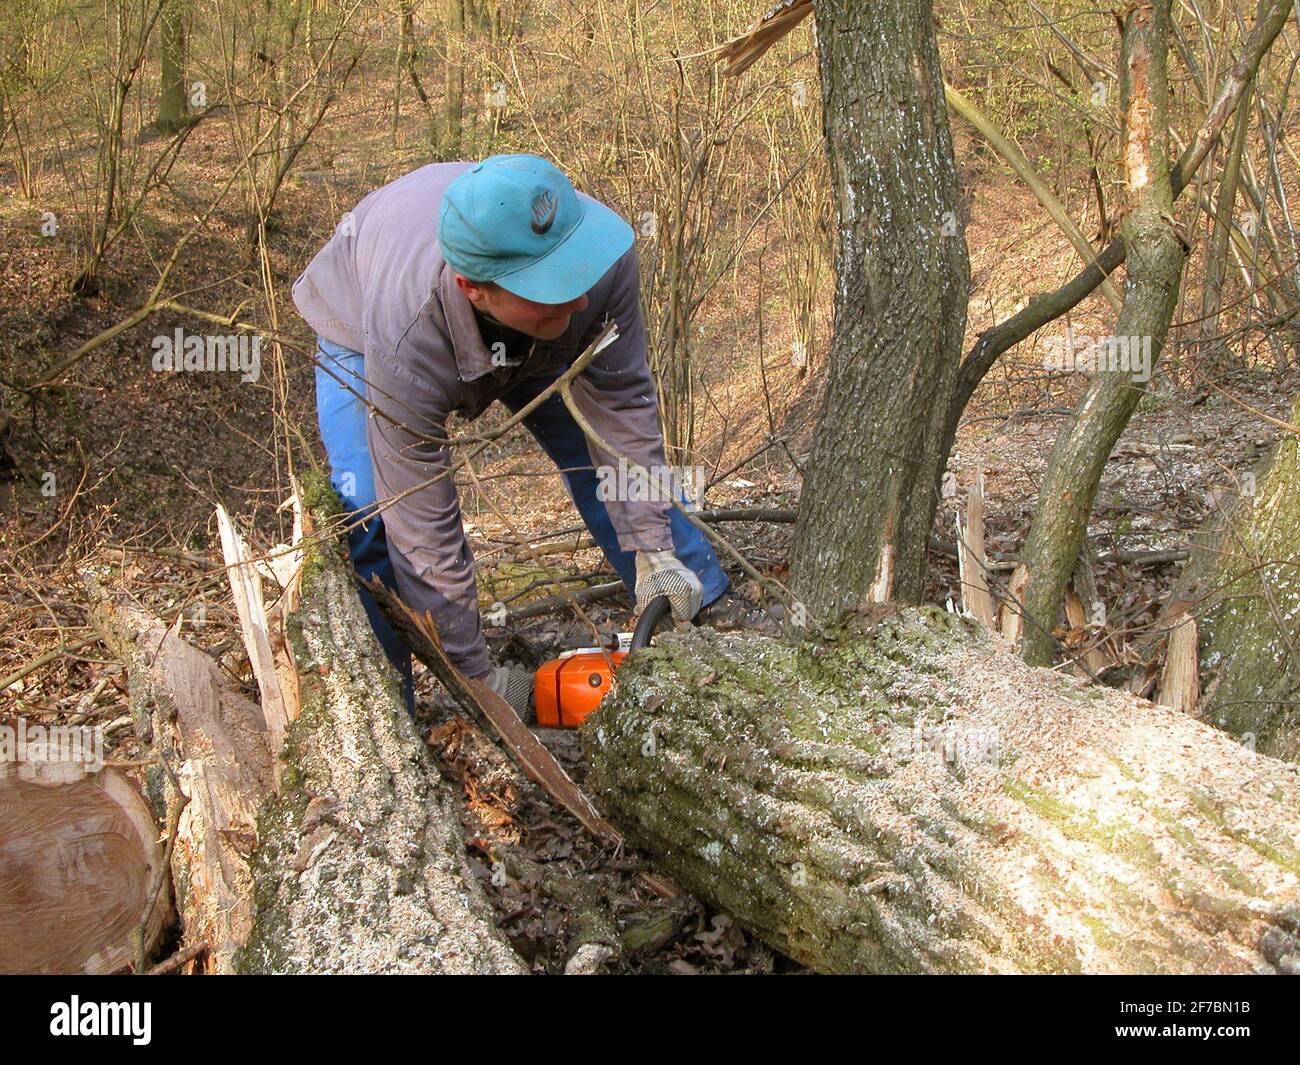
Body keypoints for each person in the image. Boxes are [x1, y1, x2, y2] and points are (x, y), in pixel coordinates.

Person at [293, 153, 761, 719]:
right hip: (363, 326)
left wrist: (653, 546)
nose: (582, 297)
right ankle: (387, 718)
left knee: (600, 462)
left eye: (574, 272)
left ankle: (704, 610)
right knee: (370, 512)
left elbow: (620, 407)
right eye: (552, 286)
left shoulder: (598, 264)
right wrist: (475, 677)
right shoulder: (405, 337)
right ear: (473, 287)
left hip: (532, 333)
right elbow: (420, 519)